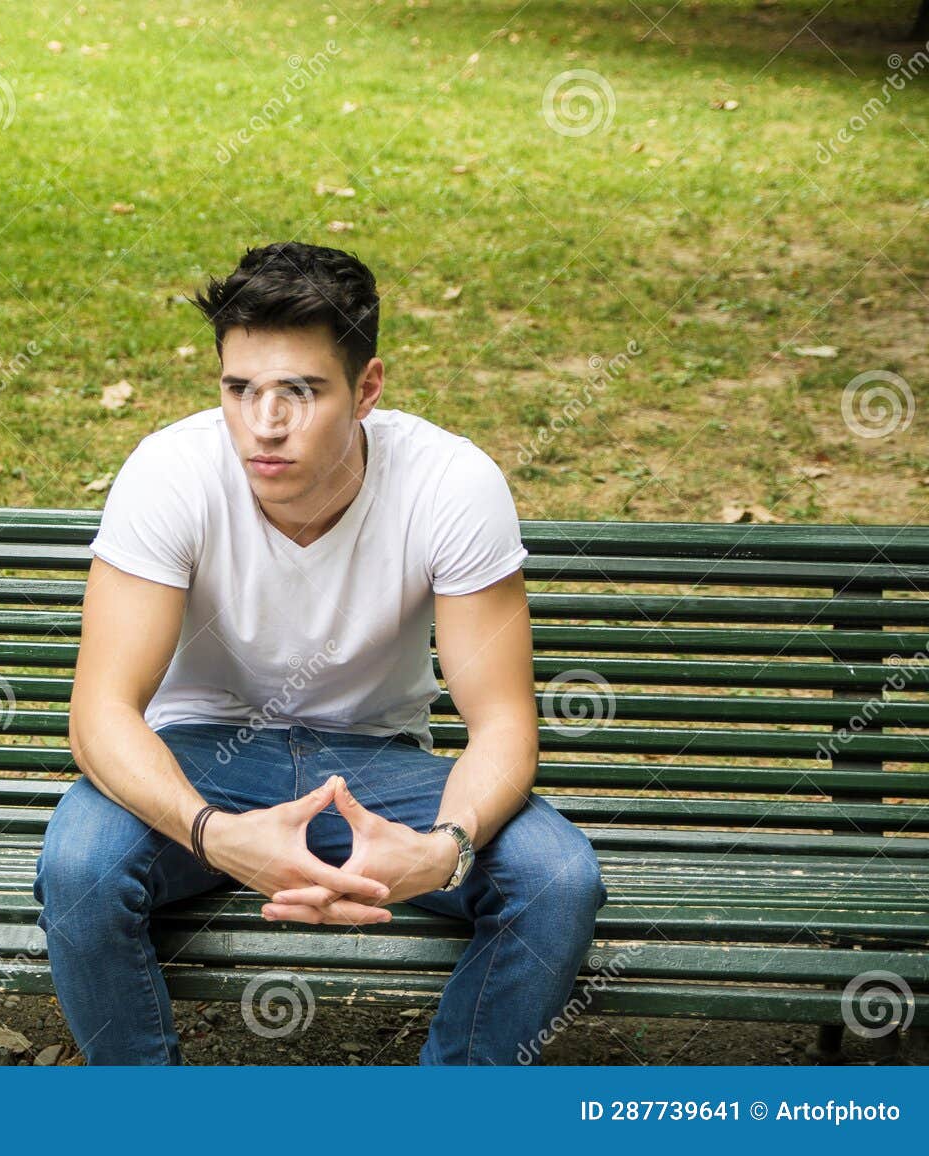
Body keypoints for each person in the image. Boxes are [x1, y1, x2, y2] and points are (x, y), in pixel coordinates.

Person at [32, 241, 608, 1065]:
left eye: (300, 392)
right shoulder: (171, 472)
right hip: (202, 757)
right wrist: (214, 835)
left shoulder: (451, 484)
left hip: (376, 767)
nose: (264, 424)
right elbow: (99, 716)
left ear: (367, 388)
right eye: (240, 390)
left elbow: (506, 724)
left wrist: (445, 847)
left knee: (558, 881)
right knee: (80, 866)